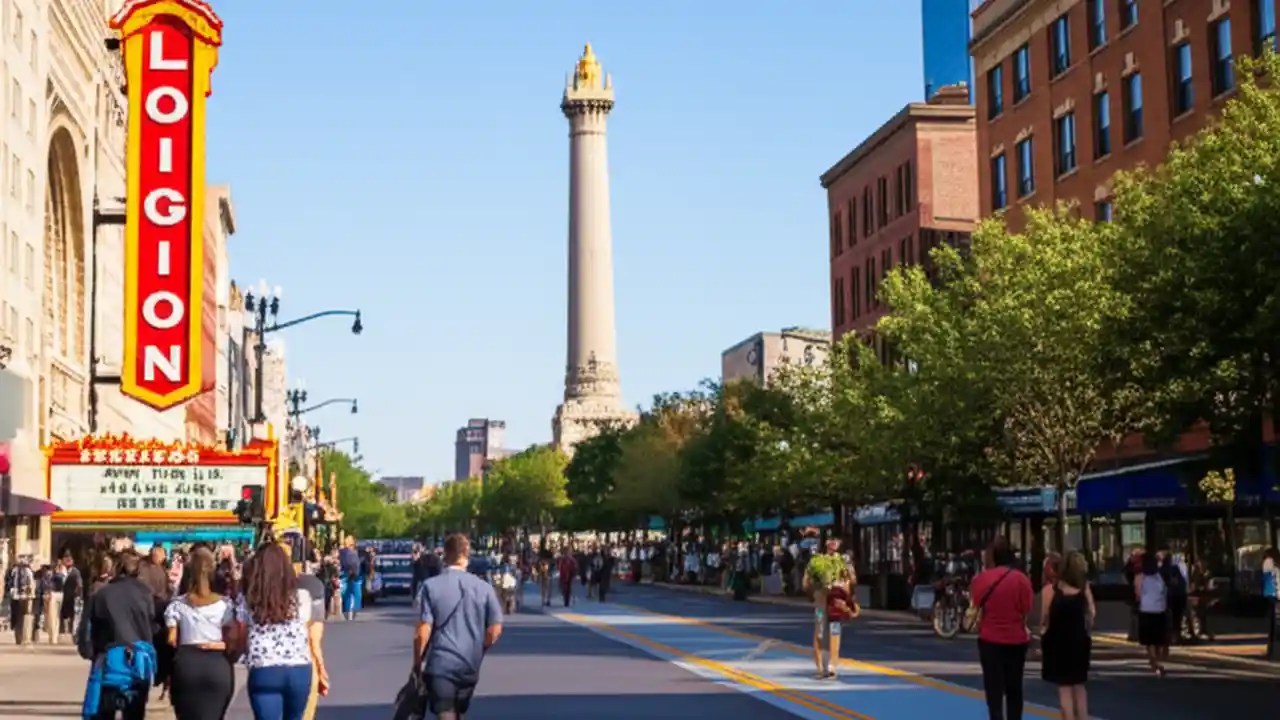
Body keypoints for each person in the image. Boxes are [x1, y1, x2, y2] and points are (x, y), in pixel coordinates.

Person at [413, 533, 504, 720]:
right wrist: (481, 647)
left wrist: (417, 662)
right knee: (457, 711)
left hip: (441, 663)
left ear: (445, 555)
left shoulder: (431, 586)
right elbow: (495, 629)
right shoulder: (484, 588)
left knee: (445, 711)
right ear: (466, 554)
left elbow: (423, 630)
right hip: (470, 664)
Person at [231, 542, 315, 720]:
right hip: (299, 667)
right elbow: (305, 630)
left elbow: (241, 633)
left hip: (264, 668)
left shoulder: (248, 599)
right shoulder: (302, 597)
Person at [82, 551, 161, 720]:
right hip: (139, 661)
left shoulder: (102, 593)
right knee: (135, 712)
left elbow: (87, 628)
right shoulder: (146, 594)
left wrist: (89, 651)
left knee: (104, 711)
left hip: (108, 658)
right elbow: (154, 626)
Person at [164, 548, 236, 720]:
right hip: (218, 665)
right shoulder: (225, 605)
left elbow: (171, 640)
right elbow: (232, 640)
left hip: (187, 665)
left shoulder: (177, 605)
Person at [970, 536, 1033, 720]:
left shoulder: (982, 579)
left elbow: (976, 602)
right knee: (1015, 689)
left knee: (994, 690)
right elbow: (1026, 608)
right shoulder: (1021, 579)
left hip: (990, 639)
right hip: (1016, 640)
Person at [1039, 551, 1094, 720]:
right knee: (1079, 686)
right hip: (1079, 642)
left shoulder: (1051, 591)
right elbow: (1091, 614)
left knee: (1064, 687)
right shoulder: (1084, 588)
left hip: (1058, 642)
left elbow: (1044, 619)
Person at [1136, 550, 1169, 676]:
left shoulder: (1140, 577)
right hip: (1159, 609)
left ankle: (1153, 659)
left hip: (1146, 609)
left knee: (1149, 639)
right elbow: (1165, 592)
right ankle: (1158, 660)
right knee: (1159, 638)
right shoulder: (1160, 576)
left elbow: (1138, 594)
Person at [5, 555, 35, 646]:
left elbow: (31, 584)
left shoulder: (28, 572)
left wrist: (29, 594)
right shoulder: (13, 571)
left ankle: (21, 637)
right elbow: (9, 582)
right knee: (16, 617)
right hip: (16, 596)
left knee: (22, 617)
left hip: (23, 596)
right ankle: (18, 636)